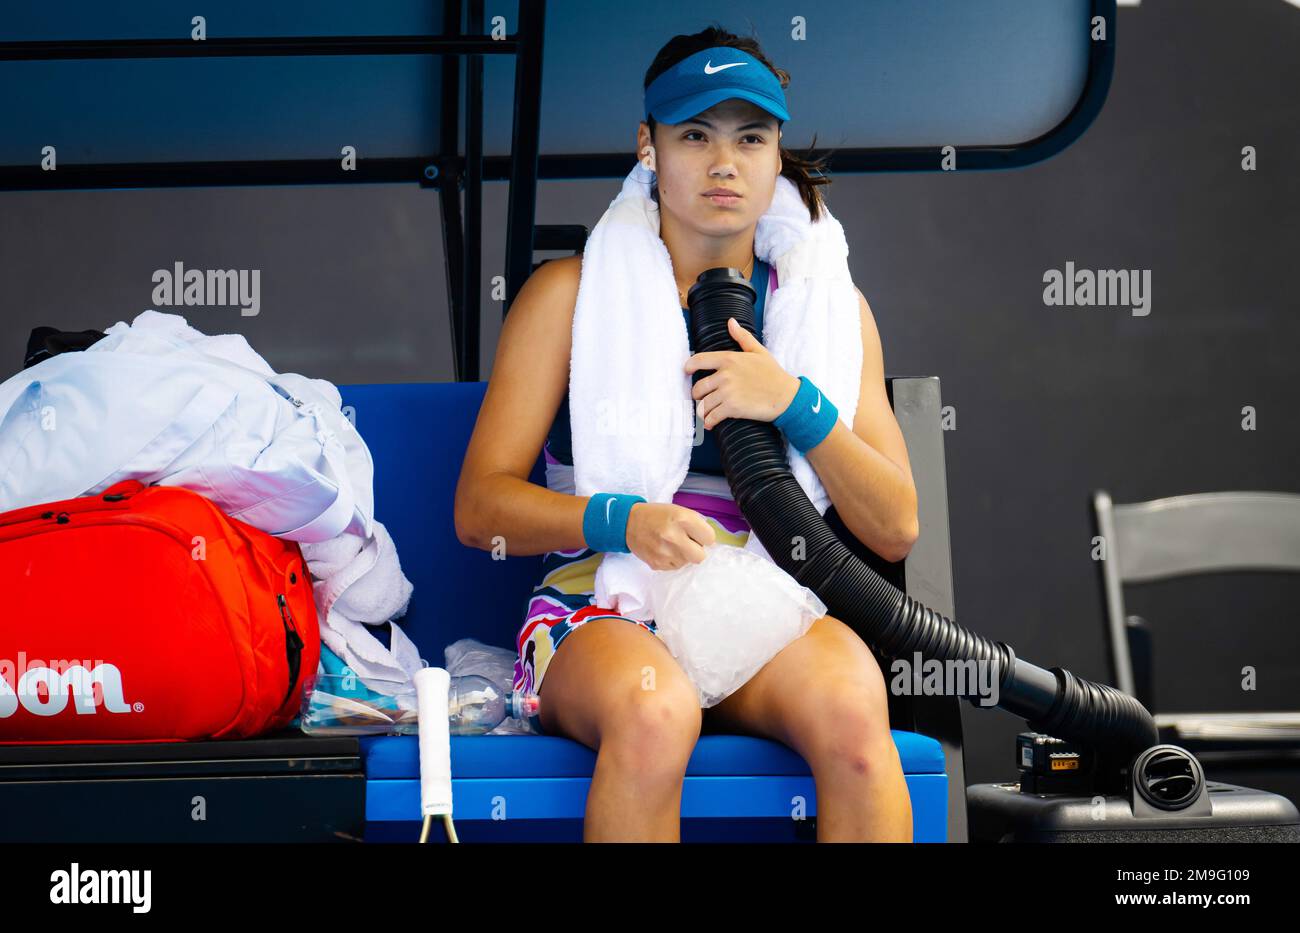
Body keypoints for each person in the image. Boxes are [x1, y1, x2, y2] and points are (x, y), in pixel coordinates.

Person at [454, 25, 919, 842]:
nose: (723, 162)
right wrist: (622, 518)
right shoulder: (569, 295)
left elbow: (894, 523)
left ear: (777, 154)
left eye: (750, 136)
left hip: (757, 599)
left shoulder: (829, 311)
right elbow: (479, 507)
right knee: (654, 707)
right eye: (694, 135)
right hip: (598, 604)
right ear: (649, 146)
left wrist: (794, 402)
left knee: (854, 704)